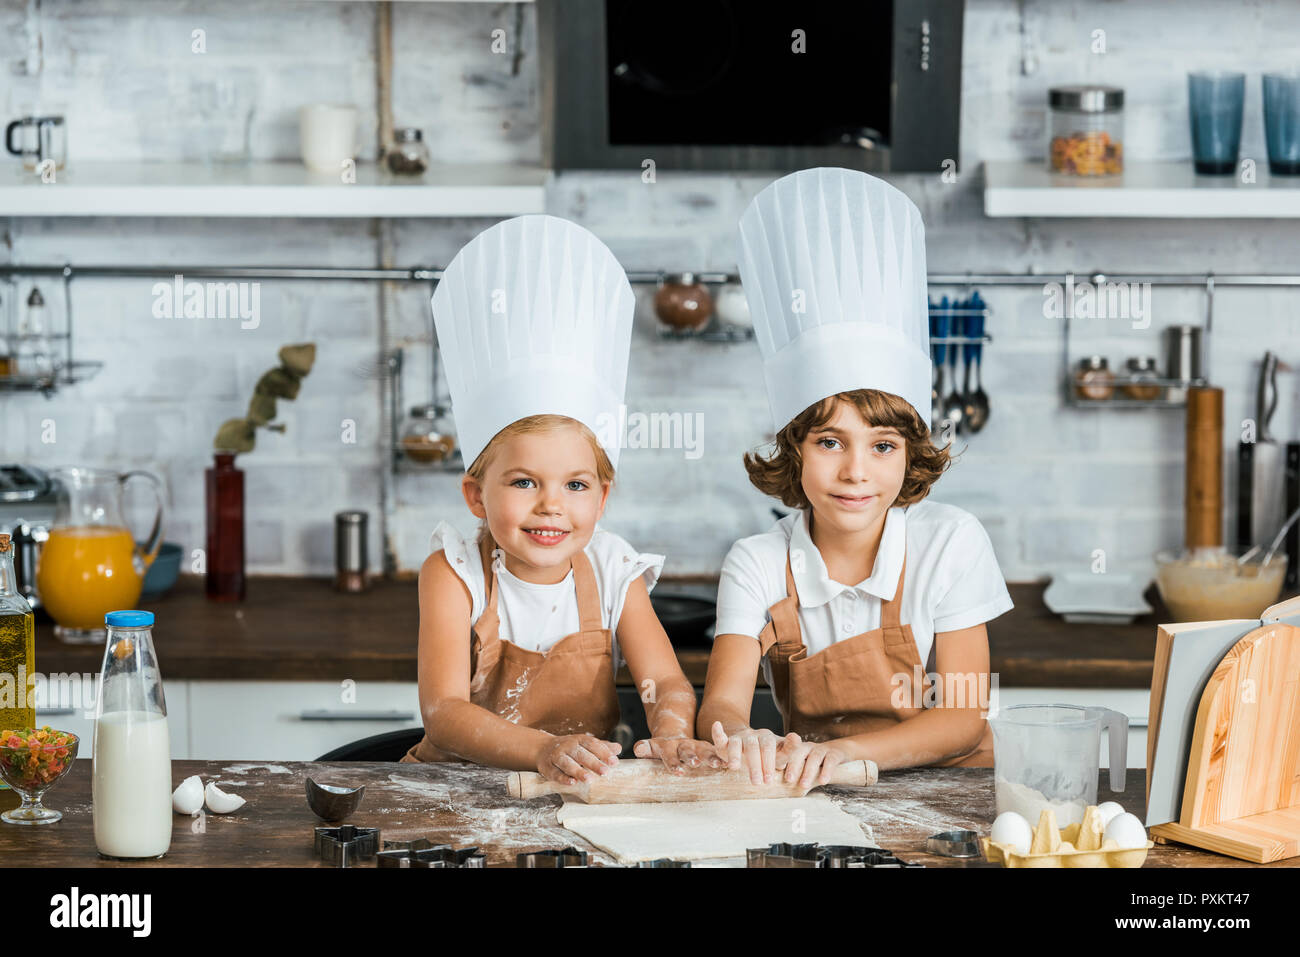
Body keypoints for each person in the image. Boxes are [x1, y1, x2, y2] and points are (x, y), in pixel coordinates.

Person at [698, 168, 1014, 786]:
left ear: (909, 454)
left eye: (883, 446)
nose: (855, 472)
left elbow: (962, 718)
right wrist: (739, 737)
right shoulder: (758, 562)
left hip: (951, 790)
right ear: (794, 448)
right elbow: (723, 703)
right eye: (829, 442)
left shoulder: (951, 542)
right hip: (816, 795)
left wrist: (846, 755)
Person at [401, 215, 710, 784]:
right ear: (475, 495)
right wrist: (543, 750)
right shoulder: (453, 574)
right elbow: (444, 713)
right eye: (523, 482)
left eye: (575, 485)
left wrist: (670, 731)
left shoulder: (615, 569)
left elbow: (665, 683)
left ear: (603, 497)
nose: (551, 506)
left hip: (577, 793)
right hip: (456, 792)